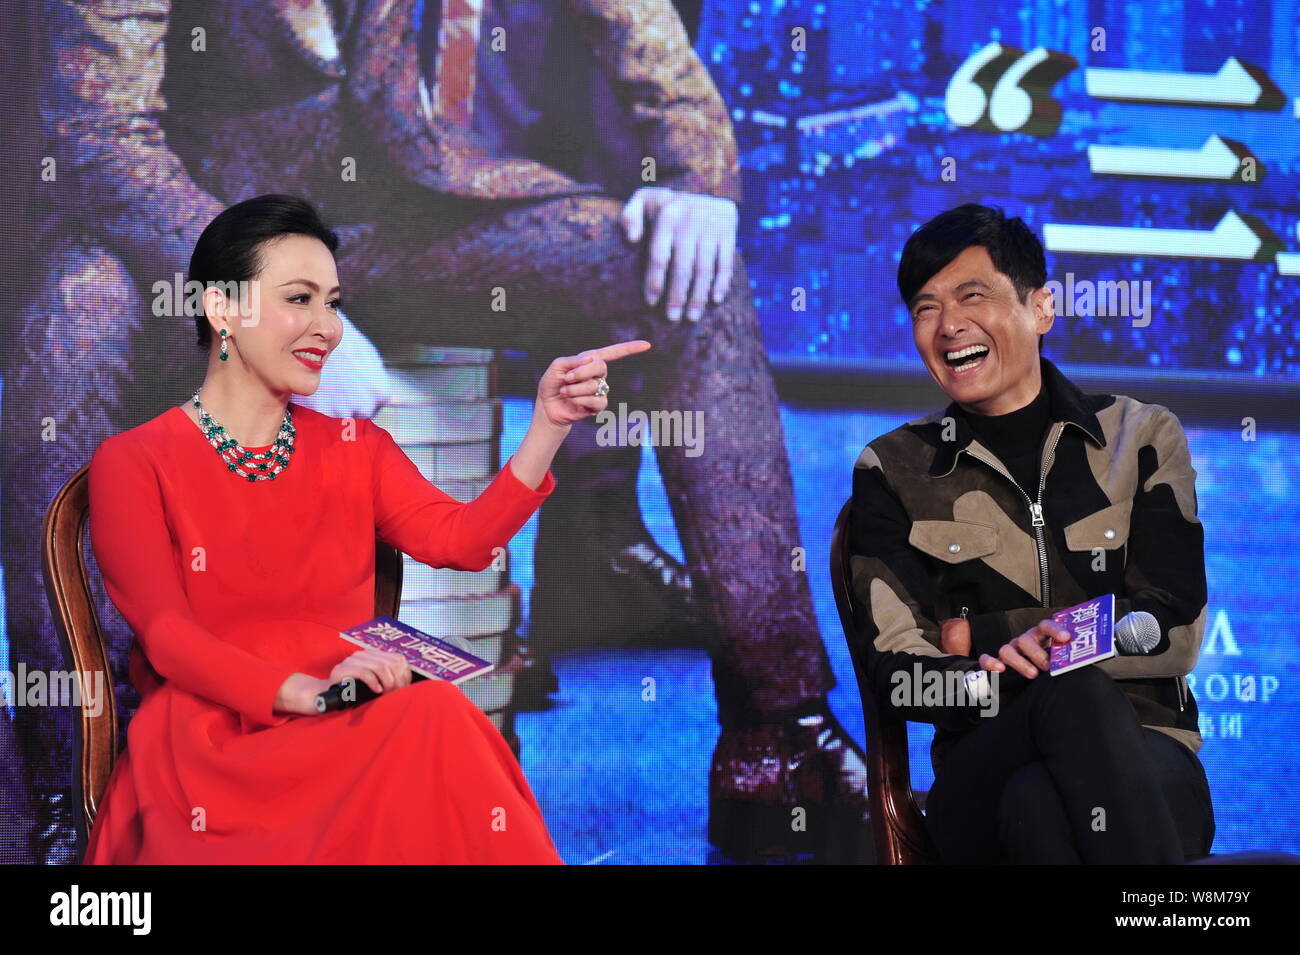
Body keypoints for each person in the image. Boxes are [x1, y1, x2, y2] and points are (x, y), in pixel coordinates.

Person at [11, 0, 868, 863]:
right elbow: (100, 139)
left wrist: (695, 174)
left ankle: (779, 736)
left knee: (688, 273)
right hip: (176, 233)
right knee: (70, 329)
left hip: (388, 201)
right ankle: (78, 789)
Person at [82, 194, 648, 864]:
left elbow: (461, 540)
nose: (327, 327)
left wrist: (548, 426)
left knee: (434, 714)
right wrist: (299, 691)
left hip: (348, 722)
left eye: (334, 302)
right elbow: (170, 638)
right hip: (215, 751)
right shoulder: (133, 462)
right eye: (300, 299)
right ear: (221, 309)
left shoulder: (355, 445)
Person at [848, 204, 1215, 864]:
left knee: (1039, 806)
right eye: (925, 307)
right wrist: (991, 683)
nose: (949, 324)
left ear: (1042, 308)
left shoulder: (1140, 437)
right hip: (982, 758)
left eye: (971, 294)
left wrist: (996, 639)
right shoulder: (893, 468)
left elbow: (1176, 626)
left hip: (1150, 753)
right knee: (1062, 702)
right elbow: (898, 678)